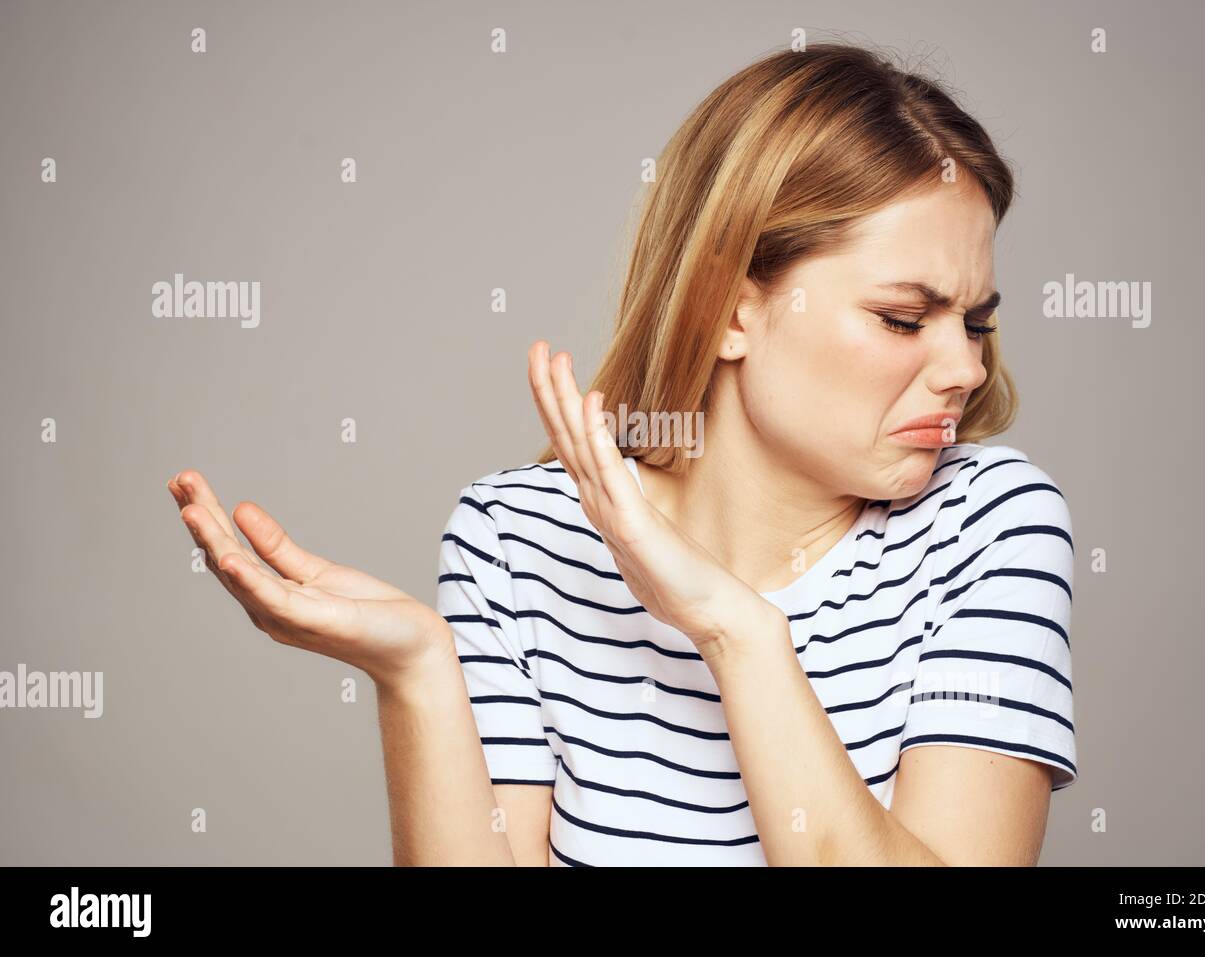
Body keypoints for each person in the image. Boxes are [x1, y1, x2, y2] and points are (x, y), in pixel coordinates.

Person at [166, 42, 1076, 866]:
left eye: (977, 321)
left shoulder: (990, 523)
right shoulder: (514, 539)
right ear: (729, 306)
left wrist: (736, 630)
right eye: (903, 318)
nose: (964, 366)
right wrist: (418, 676)